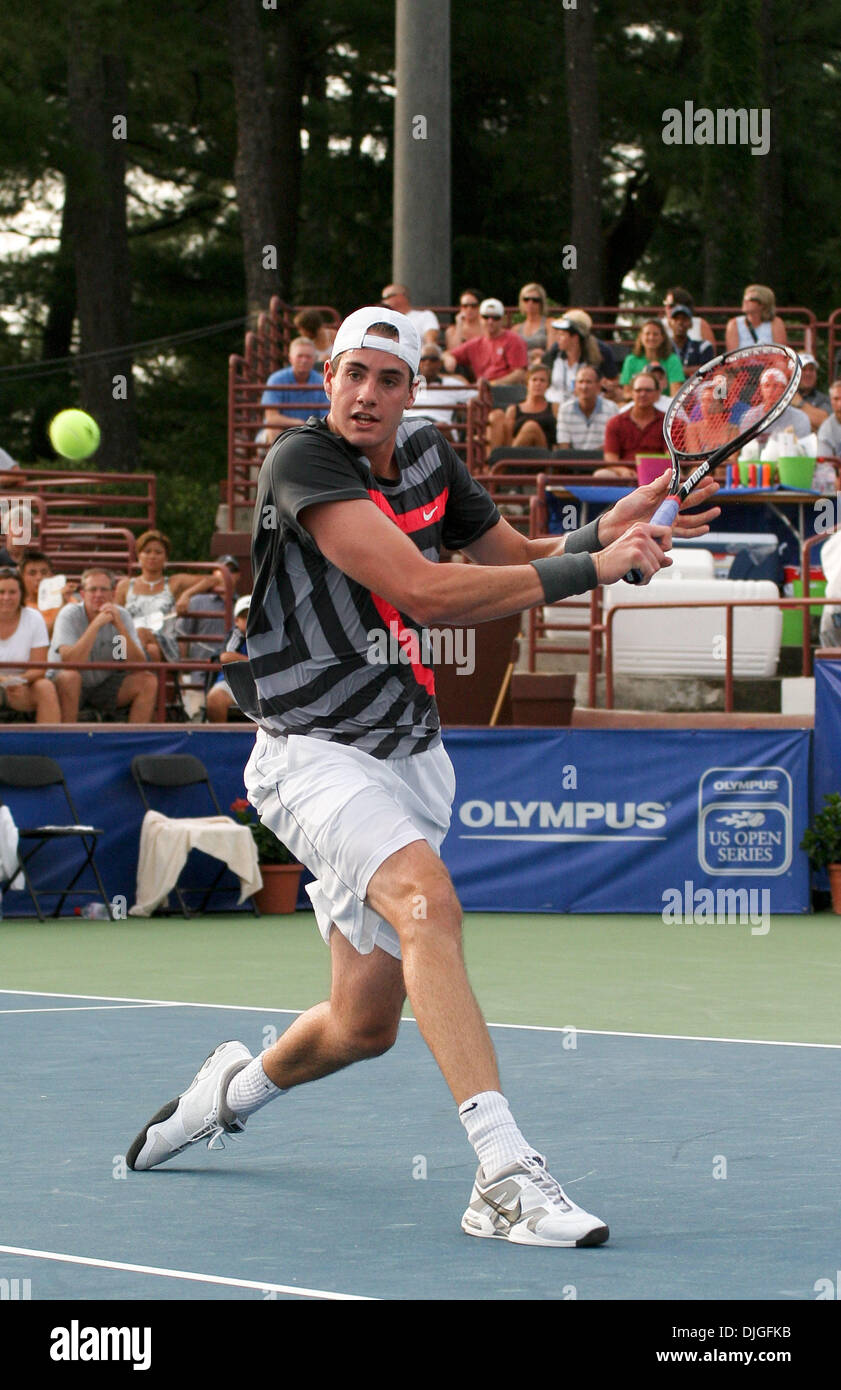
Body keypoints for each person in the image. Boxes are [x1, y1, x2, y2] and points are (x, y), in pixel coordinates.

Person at [126, 304, 720, 1247]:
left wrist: (609, 527)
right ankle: (504, 1176)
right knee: (426, 904)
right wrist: (601, 568)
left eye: (388, 379)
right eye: (352, 374)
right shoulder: (303, 461)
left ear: (412, 393)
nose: (367, 393)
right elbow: (424, 589)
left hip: (410, 757)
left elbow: (509, 561)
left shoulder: (432, 458)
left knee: (363, 1024)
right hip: (310, 750)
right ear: (328, 383)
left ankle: (224, 1094)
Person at [48, 568, 157, 722]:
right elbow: (71, 662)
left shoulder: (121, 615)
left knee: (148, 681)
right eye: (93, 589)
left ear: (112, 593)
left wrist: (120, 627)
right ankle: (68, 741)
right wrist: (95, 625)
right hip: (67, 686)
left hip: (104, 685)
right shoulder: (69, 614)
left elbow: (135, 664)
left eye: (103, 590)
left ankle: (133, 742)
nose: (98, 594)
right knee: (70, 677)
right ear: (83, 594)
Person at [114, 531, 195, 662]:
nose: (152, 556)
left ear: (166, 558)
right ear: (139, 555)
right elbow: (116, 616)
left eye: (158, 552)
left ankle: (135, 674)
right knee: (150, 649)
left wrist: (186, 594)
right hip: (127, 642)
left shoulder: (173, 583)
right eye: (147, 551)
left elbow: (214, 580)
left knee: (143, 635)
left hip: (164, 641)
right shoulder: (125, 585)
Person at [0, 567, 63, 723]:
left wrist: (18, 681)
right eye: (1, 592)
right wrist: (3, 681)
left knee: (45, 687)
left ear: (21, 594)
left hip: (22, 685)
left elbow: (39, 667)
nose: (6, 597)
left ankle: (50, 745)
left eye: (12, 592)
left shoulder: (34, 618)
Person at [596, 370, 666, 480]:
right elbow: (610, 458)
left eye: (648, 390)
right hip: (624, 475)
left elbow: (670, 457)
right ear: (632, 393)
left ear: (657, 394)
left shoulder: (668, 423)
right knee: (601, 475)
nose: (643, 394)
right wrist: (622, 471)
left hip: (659, 476)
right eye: (638, 390)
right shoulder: (615, 422)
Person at [442, 298, 528, 385]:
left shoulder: (513, 340)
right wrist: (448, 358)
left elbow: (520, 373)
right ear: (480, 318)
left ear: (502, 319)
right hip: (482, 389)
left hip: (507, 389)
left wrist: (492, 384)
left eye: (495, 318)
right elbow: (447, 354)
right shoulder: (475, 343)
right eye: (486, 317)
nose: (490, 321)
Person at [402, 344, 476, 442]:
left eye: (433, 359)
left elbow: (477, 396)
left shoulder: (451, 383)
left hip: (439, 428)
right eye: (424, 359)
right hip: (410, 426)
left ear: (440, 363)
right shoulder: (407, 384)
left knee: (440, 428)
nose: (428, 362)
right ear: (419, 363)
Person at [261, 338, 330, 443]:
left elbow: (326, 417)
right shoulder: (276, 379)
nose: (304, 360)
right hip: (283, 432)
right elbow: (271, 417)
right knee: (273, 430)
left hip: (311, 433)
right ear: (290, 358)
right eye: (300, 356)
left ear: (314, 359)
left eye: (308, 357)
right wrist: (299, 423)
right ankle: (274, 458)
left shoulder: (321, 382)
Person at [543, 310, 617, 404]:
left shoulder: (601, 351)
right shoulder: (555, 351)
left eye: (562, 334)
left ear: (575, 337)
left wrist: (606, 385)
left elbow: (613, 381)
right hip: (554, 403)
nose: (558, 338)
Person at [486, 362, 558, 450]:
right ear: (527, 383)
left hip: (543, 451)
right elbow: (509, 439)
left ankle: (509, 459)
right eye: (534, 380)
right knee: (496, 415)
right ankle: (493, 459)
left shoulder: (554, 407)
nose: (538, 383)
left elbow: (558, 438)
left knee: (531, 427)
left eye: (542, 380)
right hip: (518, 449)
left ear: (548, 385)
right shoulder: (513, 409)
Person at [205, 595, 250, 723]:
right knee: (215, 698)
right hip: (234, 684)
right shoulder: (236, 634)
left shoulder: (272, 634)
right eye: (245, 617)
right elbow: (226, 657)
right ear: (236, 621)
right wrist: (257, 663)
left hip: (266, 684)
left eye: (253, 615)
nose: (249, 621)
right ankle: (218, 740)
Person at [555, 364, 618, 450]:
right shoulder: (565, 409)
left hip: (602, 460)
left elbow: (613, 443)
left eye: (588, 382)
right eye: (581, 382)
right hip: (573, 460)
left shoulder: (611, 408)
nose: (584, 387)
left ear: (598, 386)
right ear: (575, 386)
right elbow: (563, 444)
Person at [19, 549, 78, 638]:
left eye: (44, 572)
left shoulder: (68, 599)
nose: (39, 577)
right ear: (21, 577)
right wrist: (63, 606)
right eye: (32, 573)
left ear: (51, 576)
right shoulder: (17, 606)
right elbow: (41, 636)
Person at [619, 321, 684, 399]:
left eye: (655, 334)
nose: (651, 337)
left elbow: (675, 394)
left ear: (662, 337)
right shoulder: (630, 360)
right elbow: (626, 393)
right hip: (638, 403)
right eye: (647, 334)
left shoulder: (672, 360)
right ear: (641, 337)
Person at [725, 284, 787, 352]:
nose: (745, 301)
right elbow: (732, 355)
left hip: (769, 361)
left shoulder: (775, 323)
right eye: (744, 298)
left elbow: (781, 352)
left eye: (751, 299)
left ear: (763, 304)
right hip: (743, 361)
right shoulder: (734, 324)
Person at [666, 304, 716, 374]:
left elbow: (709, 369)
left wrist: (675, 371)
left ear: (691, 324)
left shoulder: (702, 347)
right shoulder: (663, 346)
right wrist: (693, 369)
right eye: (676, 319)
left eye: (684, 319)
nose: (680, 322)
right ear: (669, 323)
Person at [511, 283, 551, 360]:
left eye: (535, 300)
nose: (530, 303)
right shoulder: (516, 329)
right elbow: (512, 354)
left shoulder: (549, 324)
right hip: (522, 367)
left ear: (541, 303)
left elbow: (551, 352)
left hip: (543, 366)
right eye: (526, 299)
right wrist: (531, 354)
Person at [792, 354, 830, 431]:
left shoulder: (823, 398)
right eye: (804, 369)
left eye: (811, 369)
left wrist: (799, 403)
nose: (808, 373)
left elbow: (825, 422)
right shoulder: (785, 396)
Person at [817, 381, 841, 457]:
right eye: (836, 399)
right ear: (831, 401)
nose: (840, 404)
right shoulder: (826, 429)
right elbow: (824, 464)